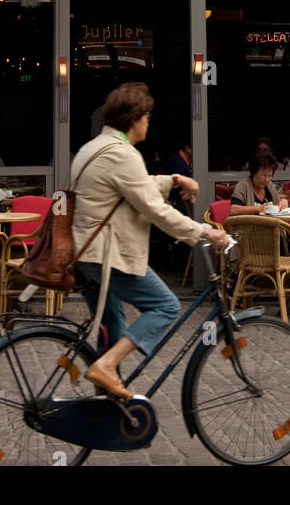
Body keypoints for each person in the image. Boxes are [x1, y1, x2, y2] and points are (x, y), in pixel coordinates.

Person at [72, 82, 228, 399]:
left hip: (86, 255)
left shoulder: (95, 147)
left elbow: (132, 186)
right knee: (165, 306)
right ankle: (107, 366)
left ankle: (107, 407)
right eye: (146, 116)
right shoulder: (123, 154)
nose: (148, 122)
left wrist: (172, 179)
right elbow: (154, 209)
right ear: (134, 119)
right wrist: (203, 231)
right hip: (108, 257)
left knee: (113, 328)